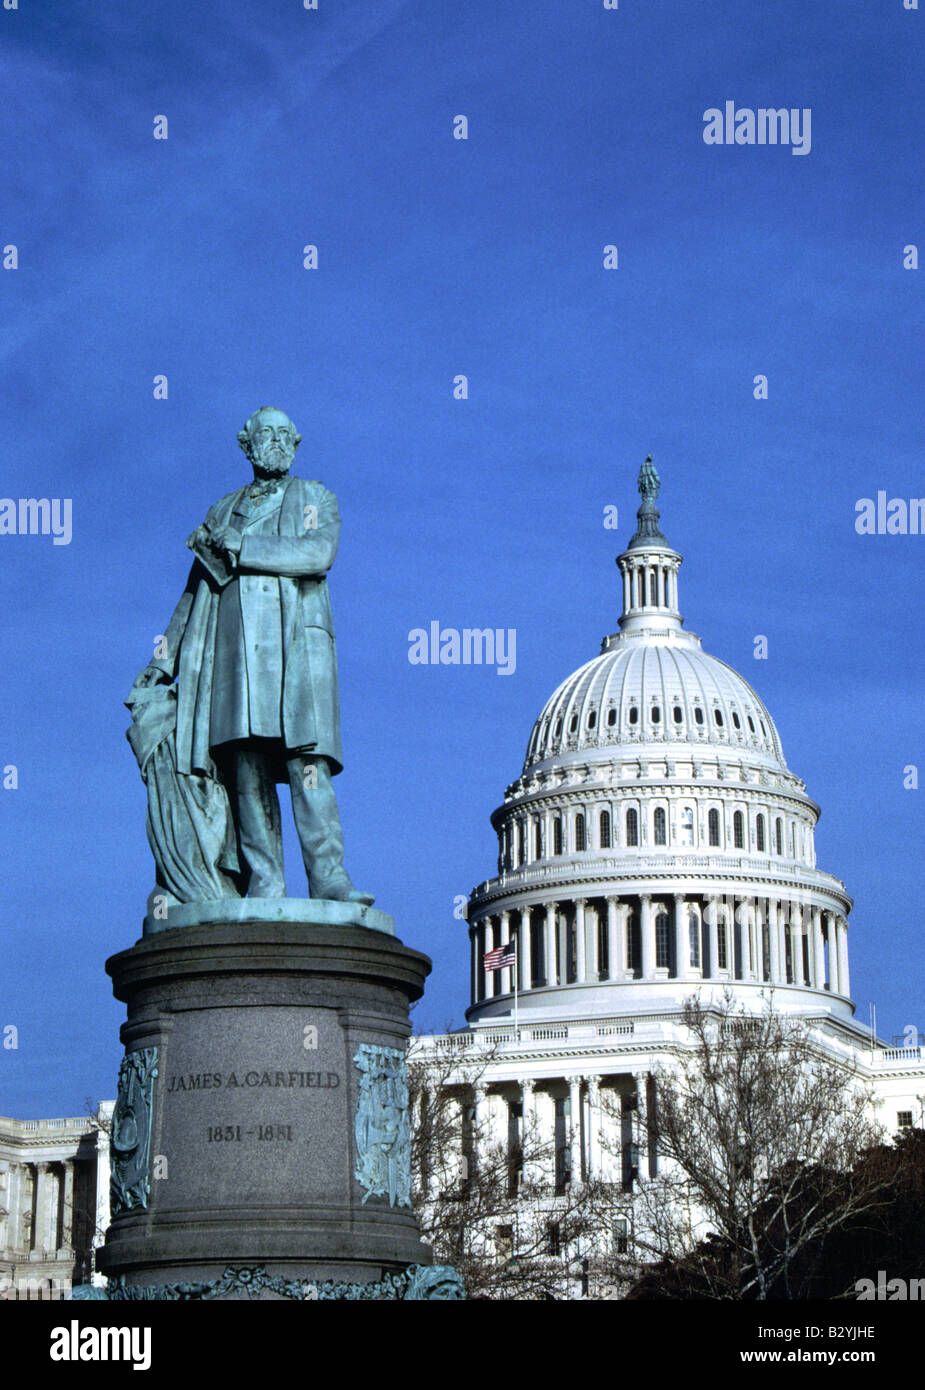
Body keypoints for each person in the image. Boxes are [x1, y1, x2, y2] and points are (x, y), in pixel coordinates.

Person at [132, 406, 373, 905]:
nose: (279, 441)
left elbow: (317, 554)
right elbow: (193, 594)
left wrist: (242, 545)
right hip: (232, 658)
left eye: (287, 434)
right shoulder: (220, 511)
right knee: (246, 769)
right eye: (268, 433)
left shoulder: (314, 498)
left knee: (309, 766)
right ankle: (265, 880)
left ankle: (328, 877)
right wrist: (162, 660)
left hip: (295, 653)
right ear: (248, 444)